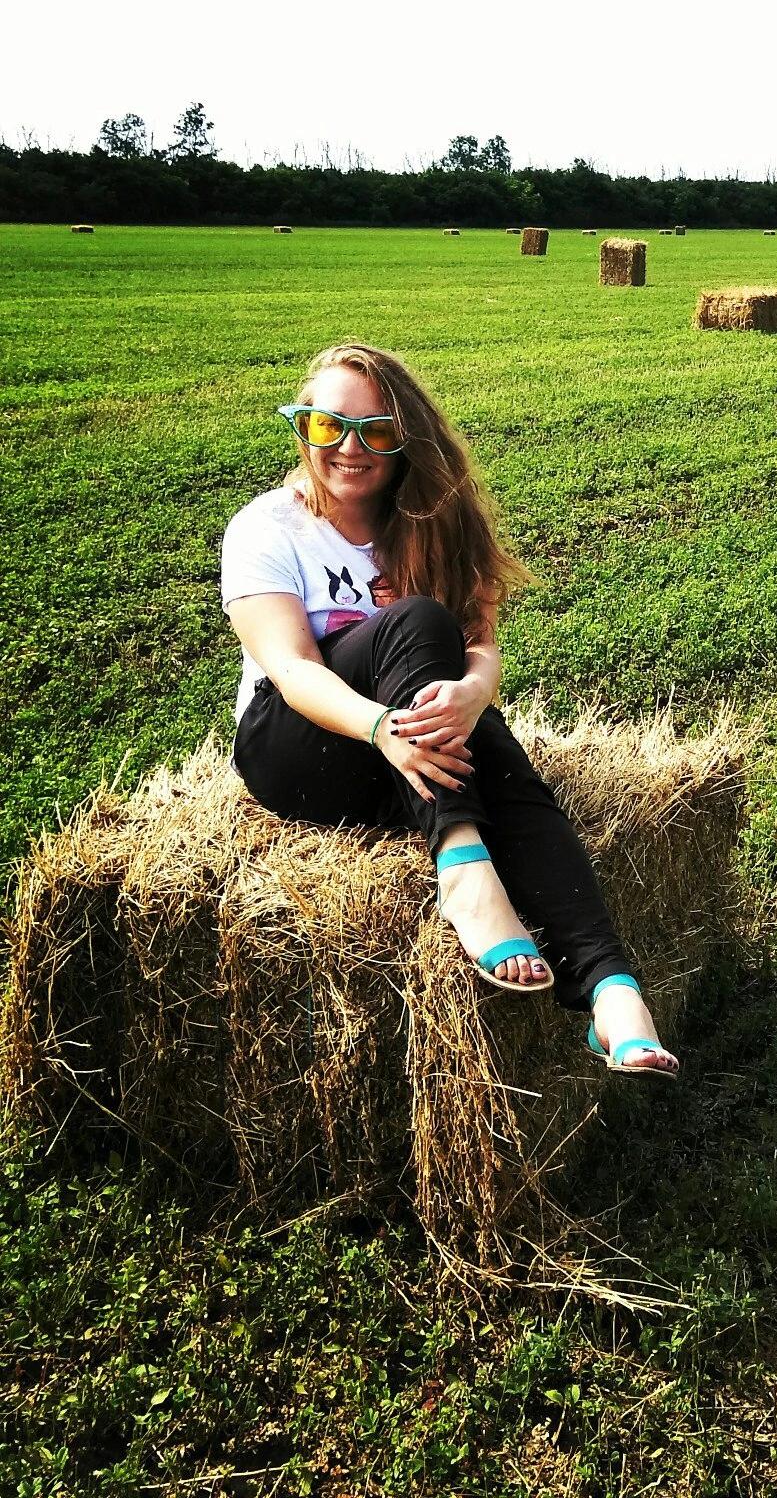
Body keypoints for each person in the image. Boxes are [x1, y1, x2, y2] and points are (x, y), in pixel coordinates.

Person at [220, 340, 677, 1077]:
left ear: (406, 442)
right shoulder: (267, 528)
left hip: (401, 757)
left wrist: (472, 693)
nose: (348, 448)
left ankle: (611, 990)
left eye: (373, 431)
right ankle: (463, 863)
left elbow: (479, 647)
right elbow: (293, 668)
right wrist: (381, 728)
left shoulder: (436, 522)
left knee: (489, 745)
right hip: (301, 748)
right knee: (417, 625)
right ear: (300, 425)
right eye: (326, 426)